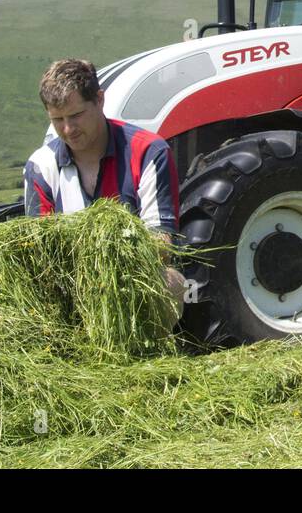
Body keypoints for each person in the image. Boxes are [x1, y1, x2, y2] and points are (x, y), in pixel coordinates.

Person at [23, 58, 187, 319]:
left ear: (99, 100)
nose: (68, 129)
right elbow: (39, 250)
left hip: (135, 281)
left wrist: (108, 262)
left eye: (76, 116)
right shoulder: (41, 166)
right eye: (58, 120)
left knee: (171, 283)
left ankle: (148, 351)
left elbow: (162, 243)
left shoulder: (148, 152)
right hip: (70, 289)